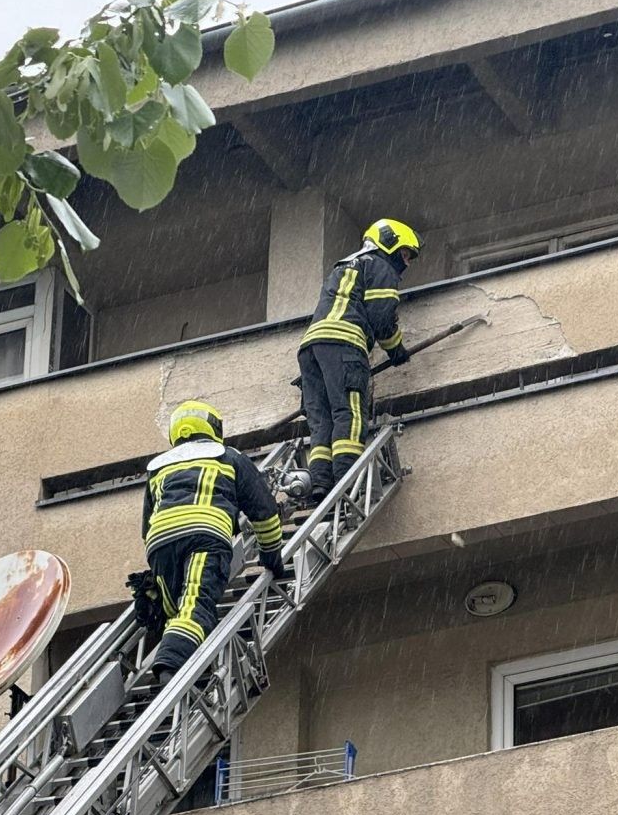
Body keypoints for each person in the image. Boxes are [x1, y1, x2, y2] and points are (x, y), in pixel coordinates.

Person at [144, 399, 288, 686]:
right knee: (196, 605)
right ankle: (169, 670)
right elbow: (264, 512)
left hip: (159, 544)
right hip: (205, 538)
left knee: (177, 612)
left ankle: (192, 670)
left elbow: (147, 519)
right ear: (212, 427)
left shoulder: (158, 467)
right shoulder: (228, 457)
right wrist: (271, 555)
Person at [297, 218, 422, 503]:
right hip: (344, 344)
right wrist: (396, 348)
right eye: (405, 254)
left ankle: (320, 484)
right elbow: (381, 315)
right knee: (350, 414)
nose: (407, 263)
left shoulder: (343, 267)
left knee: (323, 421)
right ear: (389, 243)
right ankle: (346, 481)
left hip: (310, 349)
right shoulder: (378, 265)